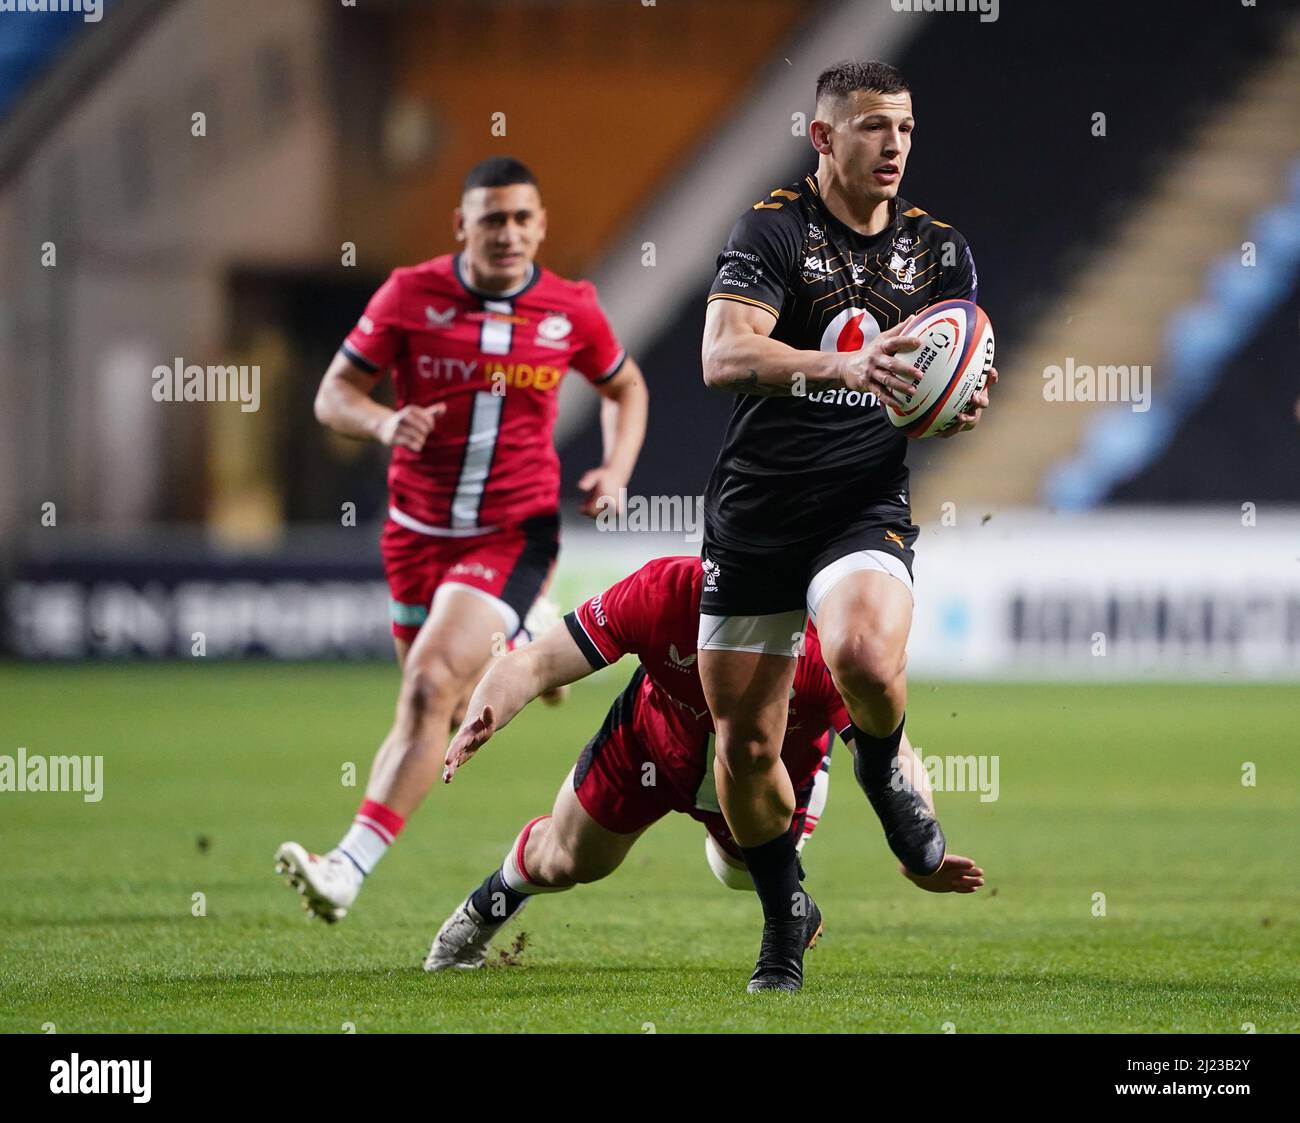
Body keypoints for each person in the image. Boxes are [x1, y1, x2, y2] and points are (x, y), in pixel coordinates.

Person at [276, 157, 648, 922]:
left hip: (513, 532)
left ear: (540, 225)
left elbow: (624, 385)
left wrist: (615, 468)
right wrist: (382, 420)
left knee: (429, 682)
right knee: (428, 710)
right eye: (491, 219)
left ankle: (345, 867)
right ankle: (533, 641)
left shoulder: (569, 307)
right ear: (461, 225)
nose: (507, 234)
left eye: (521, 218)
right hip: (414, 539)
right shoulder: (411, 295)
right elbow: (333, 394)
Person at [696, 60, 997, 990]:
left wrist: (967, 396)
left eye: (904, 126)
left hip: (863, 504)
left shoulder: (939, 250)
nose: (895, 143)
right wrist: (849, 371)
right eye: (873, 126)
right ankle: (785, 919)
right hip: (757, 512)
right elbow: (723, 355)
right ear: (824, 138)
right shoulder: (774, 227)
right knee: (745, 746)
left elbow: (970, 359)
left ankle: (875, 764)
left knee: (865, 656)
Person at [425, 556, 985, 972]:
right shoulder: (663, 591)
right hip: (646, 742)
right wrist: (486, 712)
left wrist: (920, 846)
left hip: (768, 781)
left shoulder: (818, 650)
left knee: (738, 873)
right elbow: (539, 662)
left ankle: (782, 878)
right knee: (567, 861)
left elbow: (895, 758)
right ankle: (485, 907)